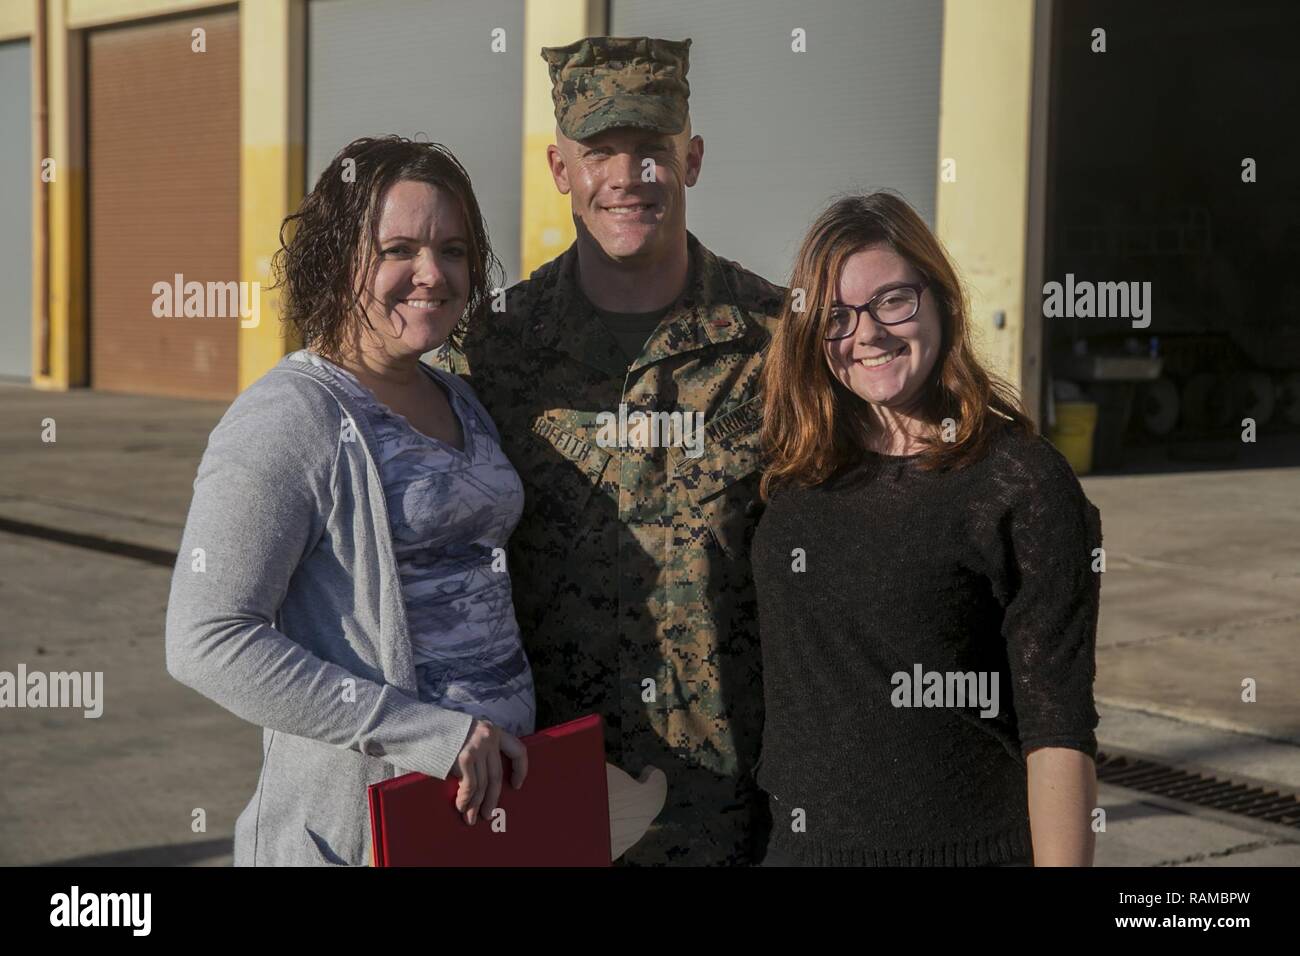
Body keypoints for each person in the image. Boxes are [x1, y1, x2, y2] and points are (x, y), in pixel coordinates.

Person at [437, 36, 785, 865]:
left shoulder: (775, 344)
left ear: (691, 160)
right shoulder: (492, 351)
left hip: (725, 809)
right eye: (599, 153)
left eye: (652, 152)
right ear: (561, 169)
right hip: (538, 788)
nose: (627, 177)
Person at [165, 136, 530, 866]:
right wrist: (432, 735)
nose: (432, 274)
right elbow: (205, 642)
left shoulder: (457, 395)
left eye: (453, 250)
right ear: (336, 261)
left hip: (490, 813)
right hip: (366, 829)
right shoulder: (290, 417)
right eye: (399, 248)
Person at [753, 192, 1102, 866]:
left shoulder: (1019, 482)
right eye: (837, 316)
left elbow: (1057, 725)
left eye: (893, 301)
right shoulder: (792, 468)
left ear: (941, 299)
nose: (868, 334)